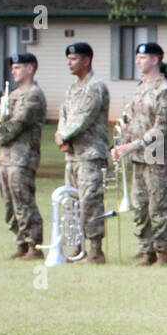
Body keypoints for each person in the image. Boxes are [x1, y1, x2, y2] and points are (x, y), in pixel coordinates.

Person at [111, 42, 167, 265]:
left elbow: (162, 128)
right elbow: (130, 121)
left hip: (157, 158)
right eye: (137, 57)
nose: (138, 60)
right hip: (139, 158)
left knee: (158, 206)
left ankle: (163, 253)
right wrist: (122, 144)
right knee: (140, 206)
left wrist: (132, 146)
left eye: (143, 57)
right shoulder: (140, 88)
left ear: (155, 60)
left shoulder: (165, 90)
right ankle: (146, 249)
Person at [55, 42, 111, 263]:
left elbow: (83, 119)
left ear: (86, 60)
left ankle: (96, 250)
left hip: (90, 154)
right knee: (71, 202)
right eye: (69, 59)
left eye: (74, 58)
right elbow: (64, 116)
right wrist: (61, 137)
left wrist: (63, 136)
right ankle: (76, 249)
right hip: (72, 155)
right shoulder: (72, 88)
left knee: (90, 201)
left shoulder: (95, 86)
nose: (70, 62)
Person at [0, 52, 46, 260]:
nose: (14, 71)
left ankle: (34, 245)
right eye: (13, 67)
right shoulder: (12, 95)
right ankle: (21, 242)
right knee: (9, 203)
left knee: (24, 201)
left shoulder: (33, 95)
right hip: (6, 157)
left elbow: (15, 125)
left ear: (30, 68)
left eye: (18, 67)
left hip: (22, 157)